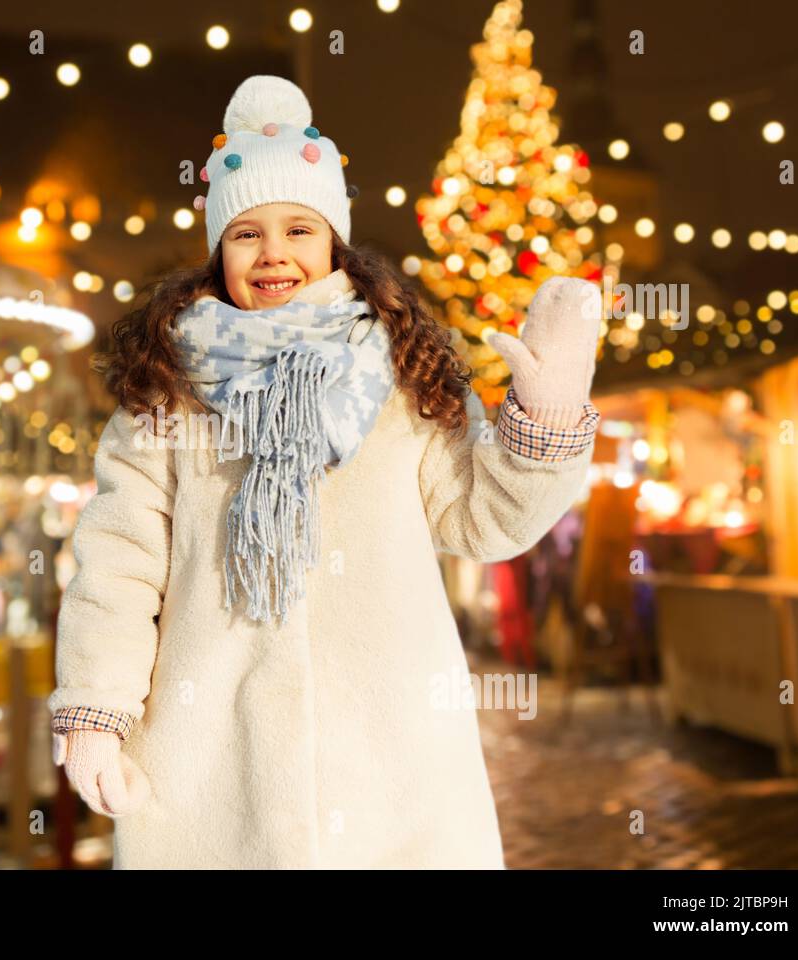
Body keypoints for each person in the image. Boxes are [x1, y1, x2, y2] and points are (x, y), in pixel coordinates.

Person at [47, 75, 601, 868]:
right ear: (218, 253)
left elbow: (486, 523)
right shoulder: (165, 395)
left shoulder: (402, 377)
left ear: (334, 242)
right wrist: (96, 710)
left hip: (390, 759)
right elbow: (119, 565)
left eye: (300, 227)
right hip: (212, 758)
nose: (275, 252)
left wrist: (545, 417)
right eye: (246, 233)